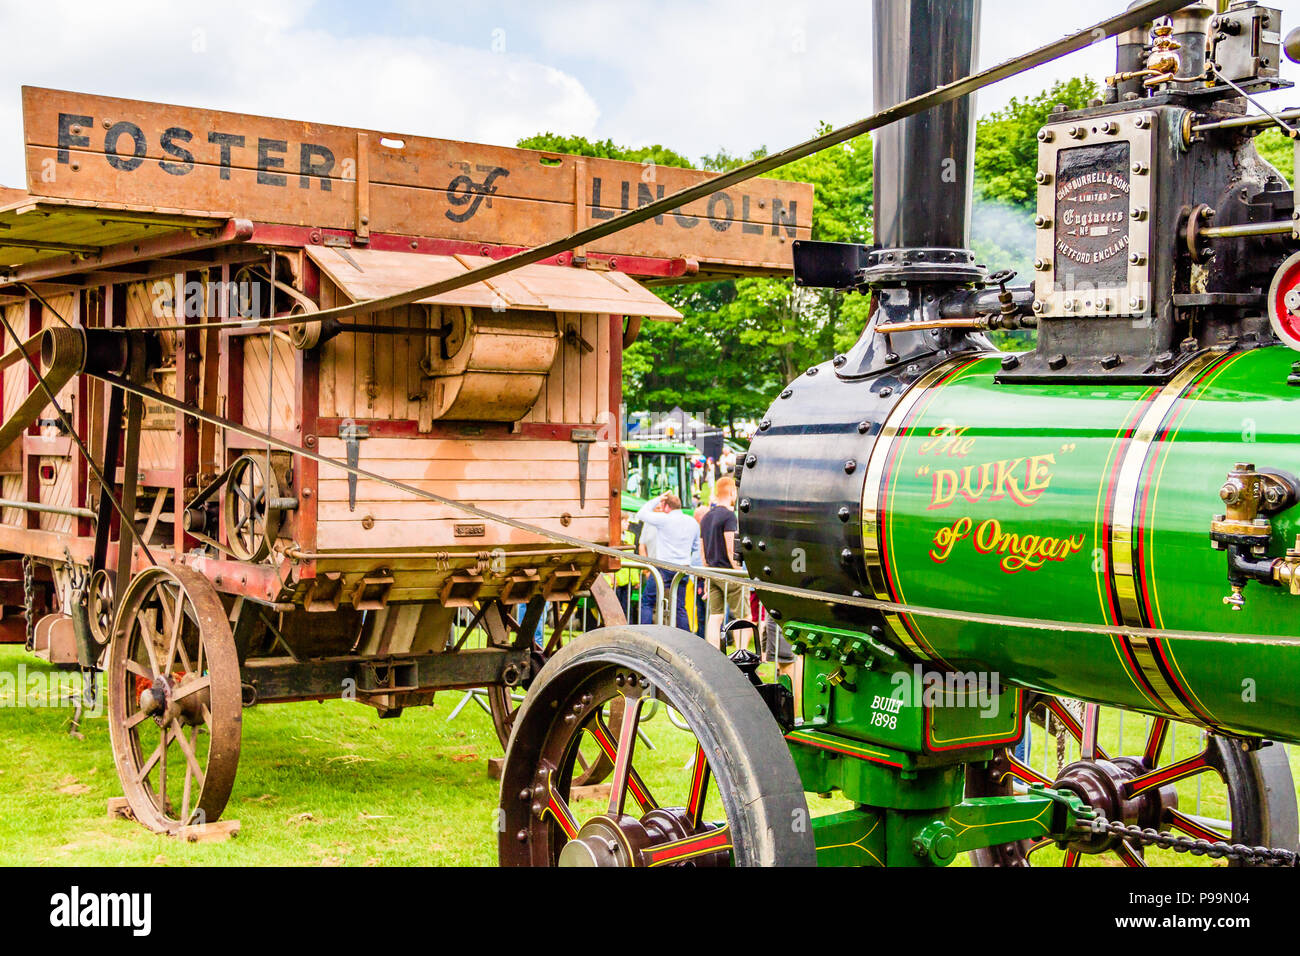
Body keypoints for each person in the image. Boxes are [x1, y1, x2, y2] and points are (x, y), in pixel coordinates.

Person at [635, 492, 700, 631]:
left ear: (666, 506)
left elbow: (641, 513)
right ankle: (685, 637)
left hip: (664, 566)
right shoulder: (692, 522)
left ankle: (644, 632)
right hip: (683, 567)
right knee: (679, 606)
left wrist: (658, 498)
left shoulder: (664, 519)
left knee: (647, 601)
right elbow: (695, 547)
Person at [700, 476, 747, 650]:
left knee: (715, 616)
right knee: (743, 615)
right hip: (729, 573)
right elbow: (730, 546)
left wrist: (706, 573)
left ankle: (712, 653)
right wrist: (738, 570)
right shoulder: (729, 516)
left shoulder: (706, 517)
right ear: (732, 492)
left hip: (711, 571)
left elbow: (702, 549)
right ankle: (742, 655)